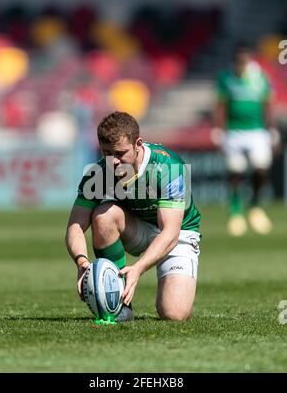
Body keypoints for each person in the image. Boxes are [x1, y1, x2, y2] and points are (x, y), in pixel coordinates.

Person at [65, 111, 201, 322]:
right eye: (107, 153)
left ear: (138, 144)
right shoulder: (99, 174)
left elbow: (171, 233)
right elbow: (75, 225)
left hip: (177, 235)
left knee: (174, 314)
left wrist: (137, 269)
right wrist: (81, 262)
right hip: (139, 229)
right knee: (103, 216)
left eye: (120, 153)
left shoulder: (168, 167)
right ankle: (121, 304)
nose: (114, 161)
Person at [212, 44, 280, 236]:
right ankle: (235, 211)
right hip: (234, 132)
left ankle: (255, 205)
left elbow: (268, 105)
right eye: (238, 61)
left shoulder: (261, 78)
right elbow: (221, 105)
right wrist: (218, 129)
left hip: (257, 131)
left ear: (250, 59)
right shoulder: (226, 78)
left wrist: (272, 129)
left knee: (260, 168)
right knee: (235, 171)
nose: (241, 64)